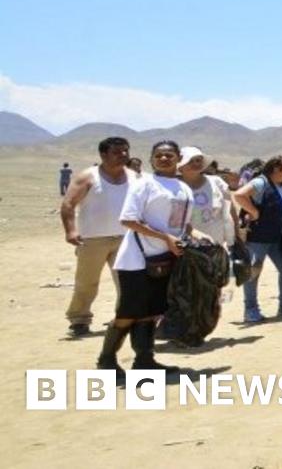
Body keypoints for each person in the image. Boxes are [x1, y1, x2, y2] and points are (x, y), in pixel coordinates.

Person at [97, 140, 210, 378]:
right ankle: (106, 361)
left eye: (169, 155)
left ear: (179, 158)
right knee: (128, 312)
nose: (164, 159)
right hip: (136, 259)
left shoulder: (183, 189)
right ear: (151, 159)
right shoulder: (145, 184)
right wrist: (165, 237)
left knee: (151, 312)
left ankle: (144, 360)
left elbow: (179, 223)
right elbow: (128, 220)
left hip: (164, 259)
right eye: (158, 155)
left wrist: (195, 234)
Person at [159, 147, 235, 345]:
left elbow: (229, 209)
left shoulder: (216, 182)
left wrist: (237, 235)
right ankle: (185, 333)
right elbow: (174, 219)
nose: (197, 164)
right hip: (185, 247)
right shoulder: (175, 187)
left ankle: (200, 330)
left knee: (211, 292)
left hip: (214, 246)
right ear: (181, 164)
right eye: (192, 160)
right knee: (186, 292)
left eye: (199, 160)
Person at [60, 137, 134, 337]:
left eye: (126, 151)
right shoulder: (88, 177)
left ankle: (123, 318)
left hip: (125, 238)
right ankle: (79, 319)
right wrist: (71, 230)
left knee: (126, 282)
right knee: (87, 282)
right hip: (92, 239)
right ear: (103, 154)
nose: (123, 155)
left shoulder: (134, 177)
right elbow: (68, 204)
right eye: (117, 152)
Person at [232, 155, 282, 323]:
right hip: (259, 237)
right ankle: (251, 310)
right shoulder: (261, 182)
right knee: (253, 273)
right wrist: (254, 212)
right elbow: (239, 195)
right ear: (276, 170)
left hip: (277, 237)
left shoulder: (280, 185)